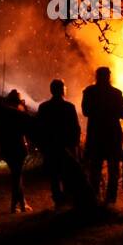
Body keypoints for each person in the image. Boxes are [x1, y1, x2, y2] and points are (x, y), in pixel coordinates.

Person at [35, 79, 95, 210]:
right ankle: (69, 201)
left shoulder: (44, 107)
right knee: (68, 173)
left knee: (54, 175)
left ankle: (58, 201)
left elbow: (39, 128)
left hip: (51, 147)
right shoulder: (68, 107)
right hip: (66, 146)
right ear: (62, 90)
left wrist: (42, 145)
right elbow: (75, 127)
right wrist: (75, 144)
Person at [82, 67, 123, 205]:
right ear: (109, 77)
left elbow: (85, 111)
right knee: (113, 169)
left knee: (95, 169)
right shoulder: (115, 93)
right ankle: (111, 199)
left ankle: (94, 198)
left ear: (96, 76)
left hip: (96, 135)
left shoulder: (89, 92)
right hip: (112, 135)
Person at [0, 89, 35, 213]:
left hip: (7, 147)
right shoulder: (17, 112)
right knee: (17, 177)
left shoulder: (2, 113)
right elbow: (26, 128)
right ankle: (14, 206)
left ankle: (22, 203)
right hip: (18, 147)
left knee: (17, 175)